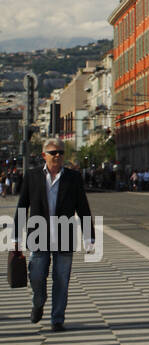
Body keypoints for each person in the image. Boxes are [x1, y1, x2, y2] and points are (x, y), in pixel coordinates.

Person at [18, 138, 95, 331]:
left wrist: (89, 237)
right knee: (36, 276)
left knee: (61, 280)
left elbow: (83, 207)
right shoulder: (32, 176)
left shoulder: (73, 177)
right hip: (38, 236)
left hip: (64, 236)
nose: (58, 156)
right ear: (44, 155)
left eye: (61, 152)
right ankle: (38, 302)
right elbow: (22, 207)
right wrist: (14, 238)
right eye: (54, 153)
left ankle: (57, 318)